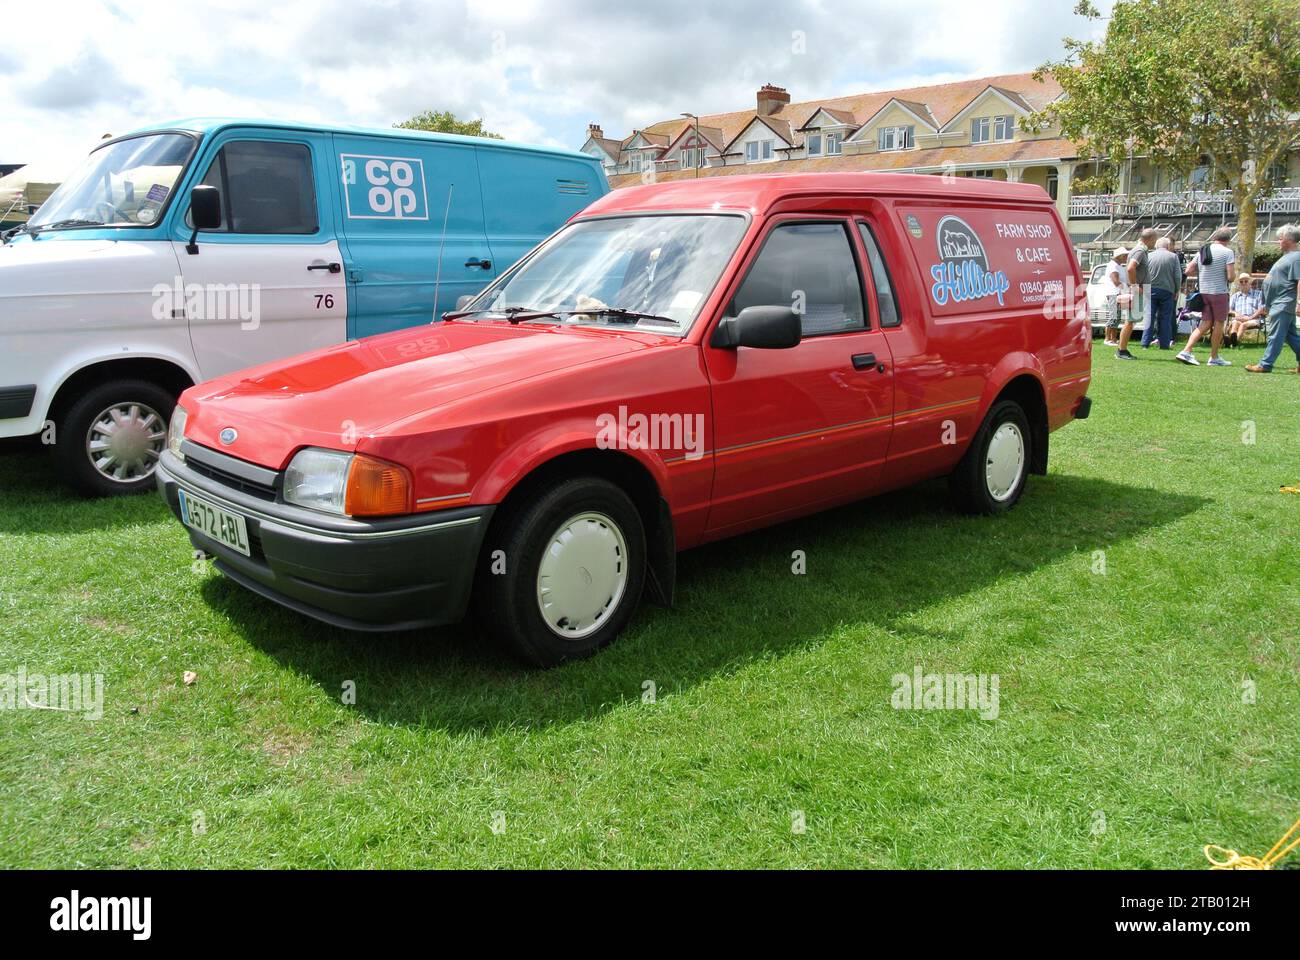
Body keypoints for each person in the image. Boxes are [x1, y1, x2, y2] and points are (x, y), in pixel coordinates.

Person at [1245, 223, 1300, 374]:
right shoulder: (1289, 257)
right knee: (1291, 336)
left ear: (1288, 240)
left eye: (1280, 239)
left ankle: (1265, 364)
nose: (1278, 242)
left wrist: (1299, 303)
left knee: (1275, 335)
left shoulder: (1296, 258)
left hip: (1283, 303)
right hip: (1279, 303)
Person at [1177, 226, 1235, 367]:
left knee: (1205, 323)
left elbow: (1189, 269)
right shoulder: (1228, 252)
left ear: (1214, 236)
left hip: (1204, 292)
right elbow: (1231, 276)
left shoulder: (1203, 250)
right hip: (1219, 292)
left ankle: (1186, 350)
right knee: (1219, 323)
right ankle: (1214, 357)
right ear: (1228, 239)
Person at [1116, 228, 1157, 359]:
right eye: (1154, 240)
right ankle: (1121, 351)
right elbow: (1130, 268)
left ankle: (1122, 349)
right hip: (1136, 290)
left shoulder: (1140, 250)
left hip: (1139, 289)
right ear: (1149, 239)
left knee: (1132, 320)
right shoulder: (1139, 251)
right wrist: (1134, 286)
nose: (1154, 244)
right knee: (1130, 321)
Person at [1141, 237, 1181, 349]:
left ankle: (1145, 343)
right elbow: (1177, 275)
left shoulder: (1149, 256)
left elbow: (1143, 272)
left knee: (1149, 316)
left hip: (1150, 289)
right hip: (1167, 290)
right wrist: (1177, 289)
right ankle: (1164, 344)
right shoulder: (1173, 257)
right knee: (1165, 318)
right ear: (1168, 246)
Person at [1226, 273, 1265, 346]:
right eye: (1241, 282)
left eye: (1246, 281)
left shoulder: (1258, 294)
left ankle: (1233, 342)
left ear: (1250, 282)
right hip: (1239, 318)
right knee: (1235, 323)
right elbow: (1229, 310)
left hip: (1254, 319)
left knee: (1243, 325)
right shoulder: (1235, 296)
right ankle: (1232, 340)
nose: (1243, 283)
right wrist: (1236, 313)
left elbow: (1262, 308)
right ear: (1239, 284)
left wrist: (1251, 317)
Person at [1103, 247, 1128, 347]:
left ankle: (1113, 339)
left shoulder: (1118, 266)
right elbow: (1115, 281)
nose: (1126, 257)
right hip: (1114, 293)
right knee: (1113, 316)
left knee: (1117, 317)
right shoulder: (1113, 266)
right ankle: (1107, 338)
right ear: (1120, 256)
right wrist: (1126, 289)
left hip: (1118, 294)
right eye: (1125, 256)